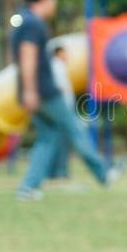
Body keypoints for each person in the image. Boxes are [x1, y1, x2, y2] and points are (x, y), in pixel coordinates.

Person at [11, 0, 118, 201]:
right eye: (53, 1)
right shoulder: (33, 24)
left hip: (33, 91)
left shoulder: (22, 21)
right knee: (76, 130)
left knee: (48, 137)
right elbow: (27, 54)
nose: (54, 6)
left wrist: (26, 90)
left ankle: (28, 186)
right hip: (45, 92)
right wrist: (31, 90)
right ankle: (103, 172)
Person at [49, 45, 74, 179]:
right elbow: (61, 89)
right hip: (62, 110)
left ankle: (59, 171)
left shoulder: (59, 67)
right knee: (62, 142)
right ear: (58, 53)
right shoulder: (57, 67)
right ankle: (60, 172)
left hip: (63, 109)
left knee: (59, 141)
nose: (67, 56)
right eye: (65, 53)